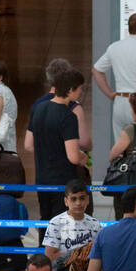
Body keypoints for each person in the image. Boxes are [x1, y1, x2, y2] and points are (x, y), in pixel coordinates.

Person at [25, 68, 87, 220]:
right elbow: (73, 157)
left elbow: (28, 144)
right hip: (62, 180)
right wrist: (82, 156)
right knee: (61, 224)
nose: (80, 92)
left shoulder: (38, 108)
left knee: (45, 222)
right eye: (79, 89)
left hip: (41, 177)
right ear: (71, 90)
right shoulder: (68, 117)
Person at [93, 12, 136, 133]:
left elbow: (96, 70)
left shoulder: (114, 47)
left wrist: (109, 93)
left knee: (122, 148)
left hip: (121, 102)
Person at [42, 180, 101, 271]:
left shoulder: (95, 224)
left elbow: (97, 256)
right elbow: (50, 256)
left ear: (88, 200)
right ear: (66, 201)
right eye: (73, 199)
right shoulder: (56, 222)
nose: (78, 203)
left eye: (82, 198)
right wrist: (78, 254)